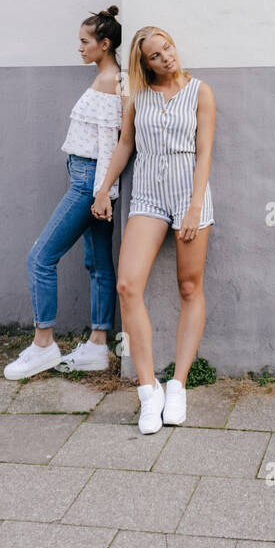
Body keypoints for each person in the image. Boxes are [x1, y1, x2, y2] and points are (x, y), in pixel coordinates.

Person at [91, 26, 215, 433]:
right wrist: (105, 189)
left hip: (187, 195)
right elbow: (126, 145)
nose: (167, 58)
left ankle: (178, 384)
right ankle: (149, 391)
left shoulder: (200, 92)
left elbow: (204, 152)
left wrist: (195, 205)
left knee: (189, 287)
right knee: (128, 285)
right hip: (146, 195)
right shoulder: (138, 98)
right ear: (144, 64)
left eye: (168, 49)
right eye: (156, 56)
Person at [3, 7, 122, 380]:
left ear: (104, 44)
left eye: (85, 42)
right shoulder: (109, 77)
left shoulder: (108, 81)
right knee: (98, 264)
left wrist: (102, 193)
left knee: (40, 257)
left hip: (89, 185)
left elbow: (108, 145)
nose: (79, 48)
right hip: (92, 183)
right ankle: (99, 346)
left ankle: (44, 344)